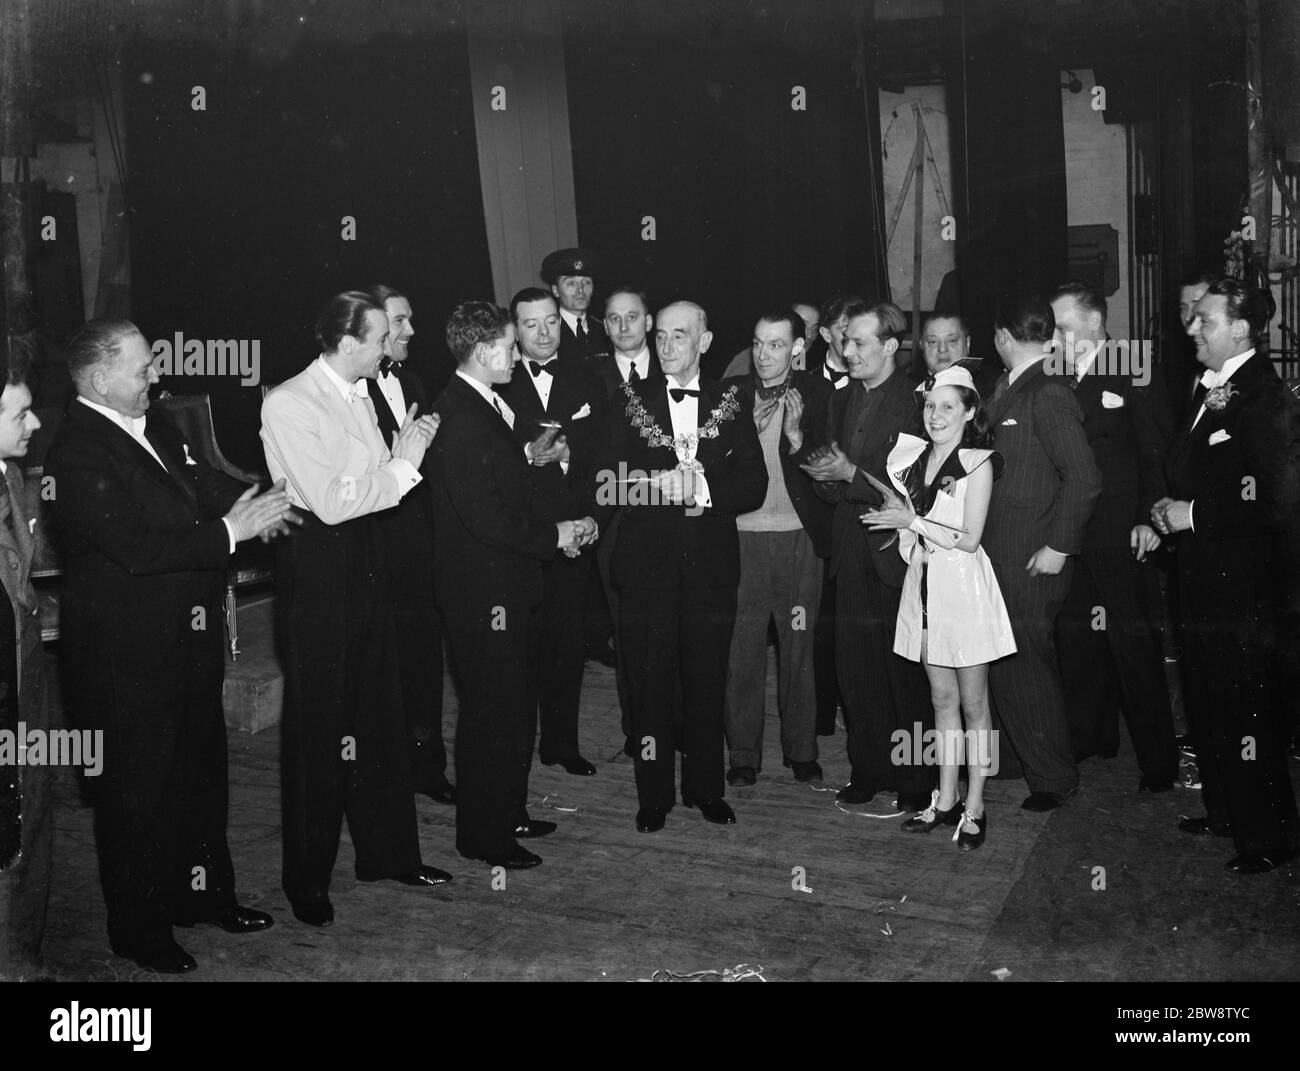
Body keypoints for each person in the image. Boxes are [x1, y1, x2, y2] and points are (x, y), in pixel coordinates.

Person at [49, 319, 291, 972]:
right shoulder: (75, 452)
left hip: (185, 642)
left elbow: (197, 483)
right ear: (100, 379)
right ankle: (141, 927)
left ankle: (204, 897)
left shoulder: (153, 422)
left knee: (198, 777)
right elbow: (136, 546)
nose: (155, 375)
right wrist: (229, 532)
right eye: (141, 367)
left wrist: (257, 500)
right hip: (123, 658)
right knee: (136, 796)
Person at [261, 291, 451, 930]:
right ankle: (307, 882)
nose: (391, 344)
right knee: (319, 736)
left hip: (369, 568)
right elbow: (333, 501)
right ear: (348, 344)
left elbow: (367, 482)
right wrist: (402, 466)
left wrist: (398, 456)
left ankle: (389, 855)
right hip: (319, 577)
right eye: (380, 336)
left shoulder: (361, 393)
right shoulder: (289, 402)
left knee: (379, 716)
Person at [429, 301, 596, 869]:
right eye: (508, 343)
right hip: (484, 594)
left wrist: (528, 454)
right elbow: (488, 519)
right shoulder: (460, 414)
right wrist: (556, 534)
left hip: (507, 587)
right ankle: (483, 836)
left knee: (512, 707)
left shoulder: (485, 401)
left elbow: (495, 479)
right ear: (482, 352)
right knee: (490, 714)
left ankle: (509, 810)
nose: (518, 350)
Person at [589, 300, 766, 833]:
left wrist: (702, 487)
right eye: (660, 336)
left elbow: (753, 485)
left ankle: (706, 789)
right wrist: (649, 487)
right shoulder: (627, 400)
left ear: (705, 342)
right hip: (646, 570)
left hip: (710, 570)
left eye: (679, 336)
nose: (666, 347)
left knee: (707, 679)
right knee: (649, 685)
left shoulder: (730, 400)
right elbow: (604, 480)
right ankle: (653, 797)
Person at [1153, 278, 1300, 874]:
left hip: (1244, 588)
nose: (1192, 328)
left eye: (1205, 321)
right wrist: (1171, 508)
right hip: (1202, 578)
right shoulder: (1215, 389)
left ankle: (1268, 834)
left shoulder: (1265, 399)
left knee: (1246, 708)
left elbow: (1280, 503)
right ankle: (1226, 811)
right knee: (1209, 698)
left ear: (1241, 329)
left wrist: (1195, 514)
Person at [862, 366, 1015, 851]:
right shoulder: (913, 460)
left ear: (969, 412)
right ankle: (944, 797)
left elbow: (969, 540)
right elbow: (916, 534)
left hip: (966, 593)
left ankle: (976, 805)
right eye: (931, 405)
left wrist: (913, 521)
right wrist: (904, 528)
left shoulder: (979, 463)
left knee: (975, 705)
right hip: (925, 589)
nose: (936, 415)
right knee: (941, 702)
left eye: (949, 406)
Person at [802, 300, 935, 812]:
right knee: (856, 671)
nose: (846, 350)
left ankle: (915, 782)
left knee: (904, 677)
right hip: (850, 552)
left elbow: (911, 493)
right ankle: (868, 771)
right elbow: (838, 481)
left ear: (890, 347)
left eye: (858, 342)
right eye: (843, 341)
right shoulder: (846, 398)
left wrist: (847, 475)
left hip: (894, 557)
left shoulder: (917, 405)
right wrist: (827, 476)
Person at [1048, 283, 1177, 791]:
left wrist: (1150, 517)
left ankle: (1159, 762)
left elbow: (1156, 451)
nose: (1054, 337)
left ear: (1096, 324)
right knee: (1077, 639)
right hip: (1072, 529)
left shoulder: (1135, 363)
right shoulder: (1056, 372)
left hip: (1123, 530)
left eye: (1062, 327)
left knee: (1134, 646)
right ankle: (1091, 737)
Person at [982, 295, 1101, 812]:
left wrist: (1058, 546)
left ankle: (1053, 776)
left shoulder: (1047, 391)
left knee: (1027, 663)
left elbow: (1085, 477)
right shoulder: (1008, 387)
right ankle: (1020, 757)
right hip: (1002, 554)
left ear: (1003, 337)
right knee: (1007, 661)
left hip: (1032, 556)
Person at [721, 309, 833, 786]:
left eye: (775, 344)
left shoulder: (820, 393)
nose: (763, 354)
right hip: (743, 536)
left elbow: (828, 465)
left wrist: (794, 436)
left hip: (799, 537)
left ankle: (801, 749)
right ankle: (743, 754)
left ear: (797, 348)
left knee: (798, 648)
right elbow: (712, 462)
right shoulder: (732, 395)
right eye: (757, 343)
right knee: (742, 649)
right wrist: (744, 426)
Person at [497, 287, 605, 777]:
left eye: (551, 323)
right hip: (518, 536)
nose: (543, 334)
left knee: (567, 643)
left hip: (572, 535)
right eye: (531, 325)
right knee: (519, 651)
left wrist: (570, 452)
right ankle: (516, 748)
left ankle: (562, 745)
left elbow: (606, 446)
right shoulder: (496, 378)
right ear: (514, 330)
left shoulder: (588, 374)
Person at [364, 285, 455, 806]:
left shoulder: (415, 380)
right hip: (378, 553)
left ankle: (428, 770)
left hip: (421, 549)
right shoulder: (349, 393)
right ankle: (391, 775)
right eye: (400, 322)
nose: (411, 332)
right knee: (385, 674)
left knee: (424, 664)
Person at [0, 354, 52, 980]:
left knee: (31, 809)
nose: (36, 421)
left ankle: (23, 957)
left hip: (24, 661)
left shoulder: (12, 476)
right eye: (20, 411)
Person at [594, 286, 663, 742]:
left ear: (649, 321)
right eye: (614, 319)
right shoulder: (586, 376)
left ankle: (672, 724)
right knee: (628, 629)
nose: (623, 327)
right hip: (615, 520)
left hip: (670, 518)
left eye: (632, 317)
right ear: (604, 326)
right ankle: (638, 729)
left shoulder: (677, 366)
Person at [808, 294, 861, 737]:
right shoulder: (805, 383)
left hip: (861, 522)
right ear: (826, 335)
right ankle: (824, 716)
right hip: (817, 525)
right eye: (845, 329)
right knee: (821, 629)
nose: (852, 339)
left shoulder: (875, 384)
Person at [543, 248, 611, 370]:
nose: (580, 290)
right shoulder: (547, 331)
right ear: (555, 290)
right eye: (571, 283)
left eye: (586, 282)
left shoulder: (605, 330)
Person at [912, 312, 1000, 398]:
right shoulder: (908, 391)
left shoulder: (994, 389)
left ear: (967, 343)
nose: (942, 349)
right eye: (933, 342)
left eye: (952, 341)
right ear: (921, 345)